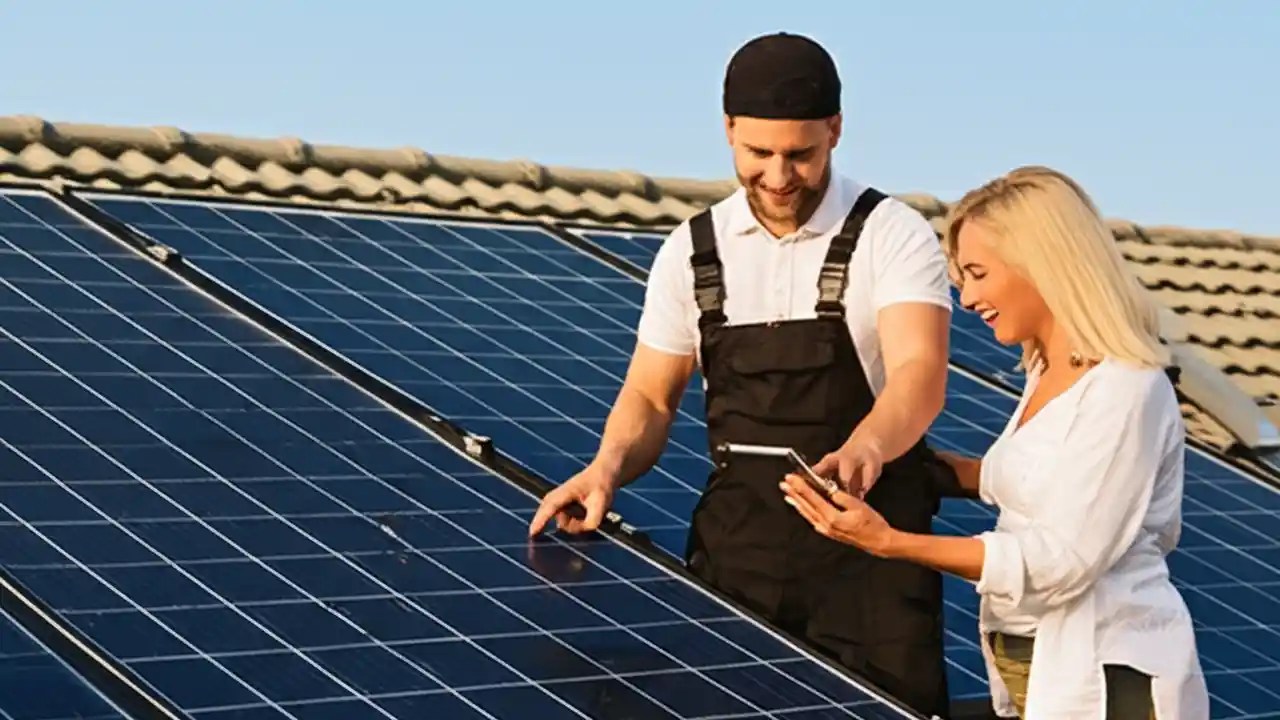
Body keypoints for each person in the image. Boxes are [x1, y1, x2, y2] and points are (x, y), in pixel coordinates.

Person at [528, 31, 955, 717]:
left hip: (869, 565)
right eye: (759, 154)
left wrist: (867, 448)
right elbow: (649, 396)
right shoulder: (691, 250)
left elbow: (919, 373)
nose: (780, 177)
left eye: (801, 155)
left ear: (836, 131)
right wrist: (607, 466)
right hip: (738, 565)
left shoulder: (892, 234)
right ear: (728, 130)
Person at [779, 165, 1210, 719]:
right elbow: (1039, 481)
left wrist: (890, 543)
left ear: (1043, 263)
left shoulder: (1126, 387)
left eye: (978, 274)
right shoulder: (1050, 371)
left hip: (1104, 679)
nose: (968, 298)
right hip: (1040, 668)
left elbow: (1062, 560)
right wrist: (894, 464)